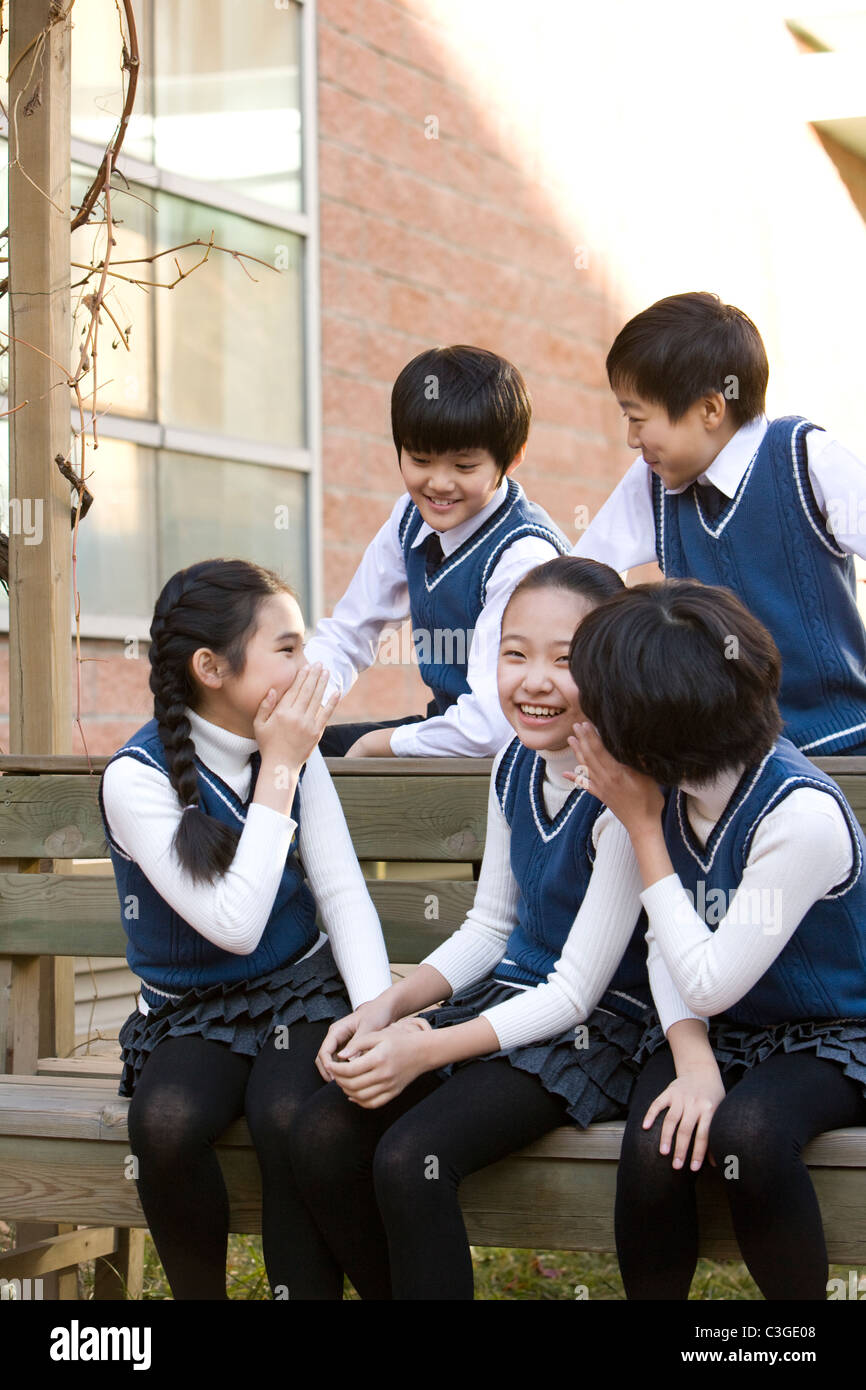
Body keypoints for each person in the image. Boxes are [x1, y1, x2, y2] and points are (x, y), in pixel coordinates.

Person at [288, 557, 708, 1300]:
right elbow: (490, 926)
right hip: (506, 1002)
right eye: (516, 654)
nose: (534, 681)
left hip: (595, 1032)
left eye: (565, 660)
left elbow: (575, 993)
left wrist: (426, 1048)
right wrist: (385, 1007)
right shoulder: (513, 761)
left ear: (613, 664)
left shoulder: (626, 788)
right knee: (320, 1135)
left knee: (411, 1158)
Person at [98, 559, 393, 1300]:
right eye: (287, 648)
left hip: (298, 988)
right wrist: (280, 771)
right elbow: (233, 925)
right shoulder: (137, 778)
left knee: (289, 1115)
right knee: (165, 1122)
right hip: (193, 1009)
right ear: (211, 668)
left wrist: (373, 1016)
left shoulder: (289, 747)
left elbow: (342, 893)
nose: (308, 667)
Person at [568, 579, 866, 1301]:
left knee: (752, 1134)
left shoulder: (797, 816)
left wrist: (644, 831)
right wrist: (693, 1056)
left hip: (836, 1032)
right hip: (722, 1027)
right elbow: (670, 948)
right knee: (654, 1142)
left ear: (645, 729)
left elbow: (707, 979)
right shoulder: (661, 790)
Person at [573, 290, 866, 756]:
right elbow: (576, 583)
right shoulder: (653, 483)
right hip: (721, 760)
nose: (631, 439)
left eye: (637, 417)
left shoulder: (803, 457)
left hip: (839, 749)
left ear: (710, 409)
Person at [306, 344, 569, 758]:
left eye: (464, 467)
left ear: (512, 459)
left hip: (524, 753)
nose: (439, 484)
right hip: (455, 728)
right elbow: (349, 634)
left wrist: (377, 745)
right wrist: (292, 709)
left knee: (352, 761)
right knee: (300, 752)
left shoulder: (523, 557)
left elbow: (493, 727)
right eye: (420, 460)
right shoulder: (410, 517)